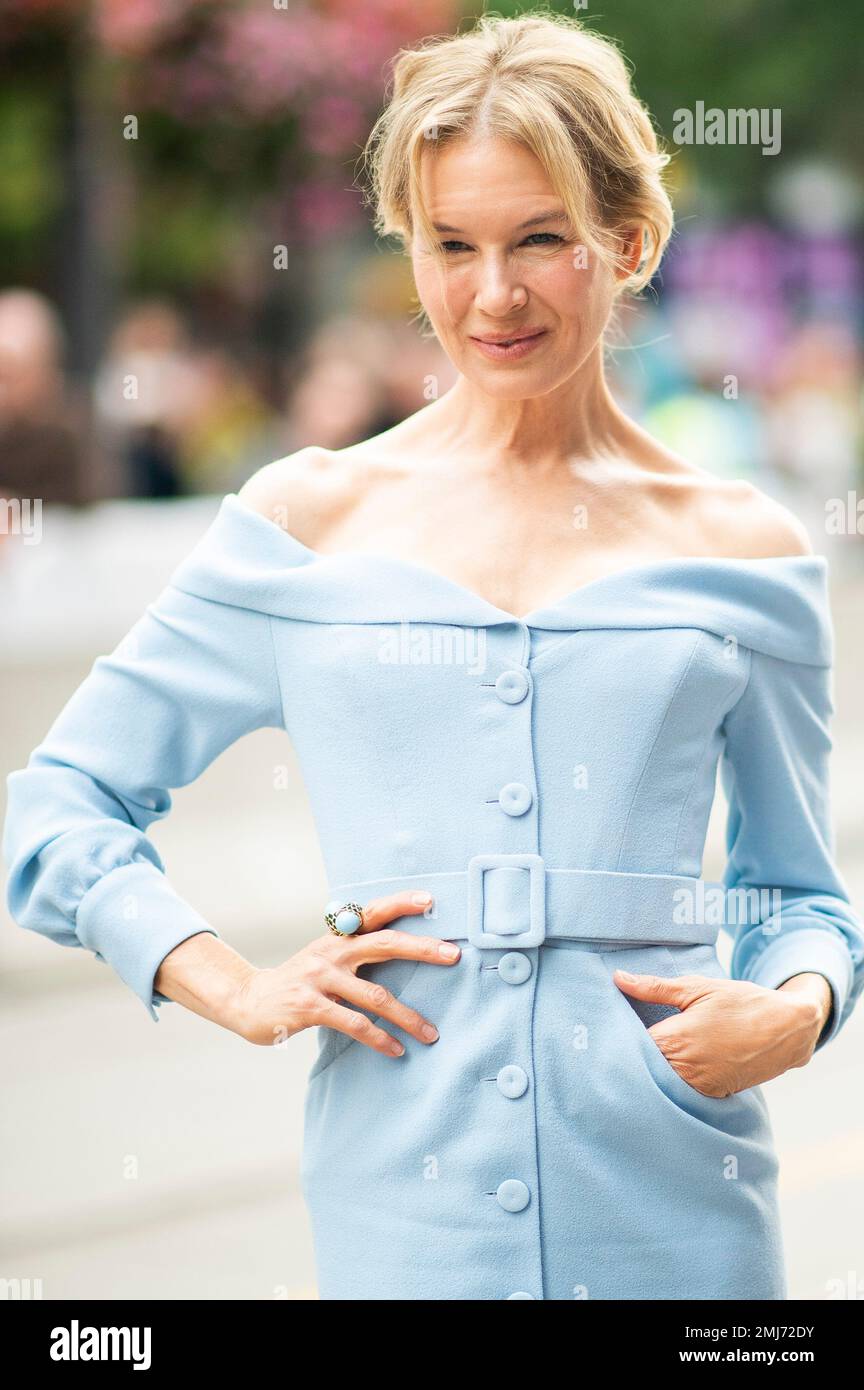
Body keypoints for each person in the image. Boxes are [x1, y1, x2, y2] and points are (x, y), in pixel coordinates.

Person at [4, 13, 863, 1301]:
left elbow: (802, 892)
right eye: (450, 245)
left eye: (539, 240)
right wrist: (226, 981)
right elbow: (57, 804)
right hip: (404, 1207)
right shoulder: (304, 523)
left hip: (680, 1209)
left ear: (630, 241)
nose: (492, 295)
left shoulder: (744, 548)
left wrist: (794, 1011)